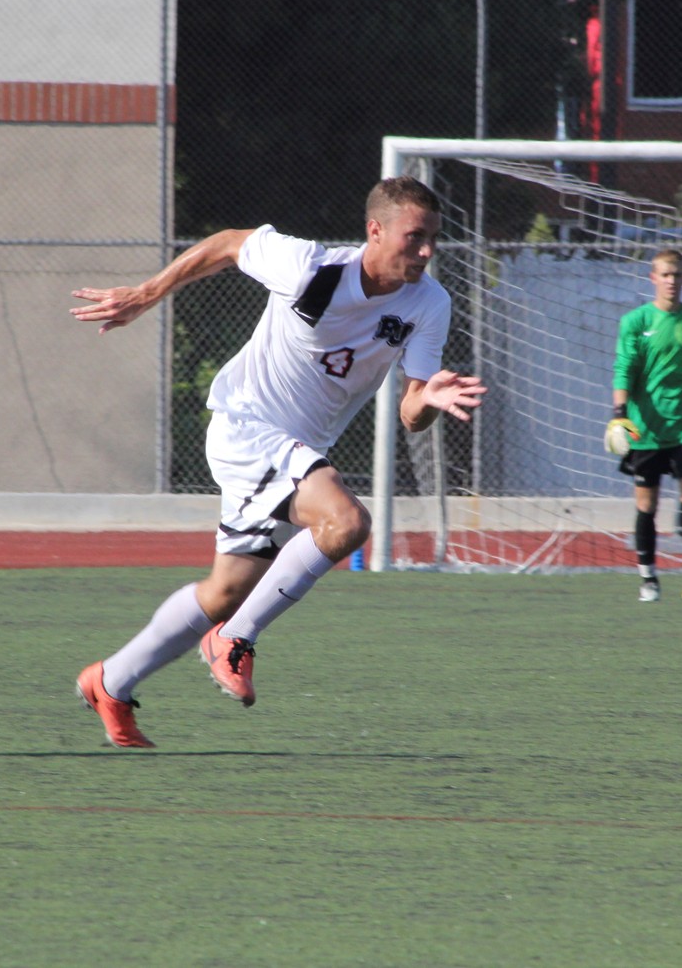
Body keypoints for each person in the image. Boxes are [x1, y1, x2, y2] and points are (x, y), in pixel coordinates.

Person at [67, 176, 487, 747]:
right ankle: (233, 639)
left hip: (293, 453)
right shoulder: (311, 268)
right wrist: (148, 293)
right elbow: (227, 244)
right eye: (414, 237)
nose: (427, 250)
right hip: (246, 427)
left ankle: (111, 682)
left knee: (225, 591)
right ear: (375, 231)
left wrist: (429, 398)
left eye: (433, 237)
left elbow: (411, 413)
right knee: (347, 522)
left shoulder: (430, 303)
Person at [606, 248, 682, 603]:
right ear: (653, 278)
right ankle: (648, 579)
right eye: (665, 275)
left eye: (677, 275)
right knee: (647, 505)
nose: (671, 281)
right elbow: (623, 368)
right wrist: (619, 414)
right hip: (645, 428)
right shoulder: (635, 321)